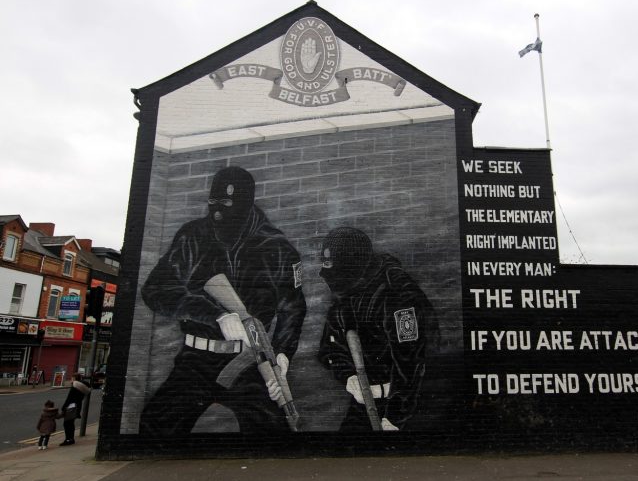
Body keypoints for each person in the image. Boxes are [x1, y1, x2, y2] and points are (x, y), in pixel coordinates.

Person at [140, 166, 306, 435]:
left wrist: (283, 355)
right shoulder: (193, 236)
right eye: (212, 203)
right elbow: (155, 289)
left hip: (251, 359)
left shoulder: (277, 248)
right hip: (195, 360)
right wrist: (215, 315)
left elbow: (293, 308)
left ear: (245, 201)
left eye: (226, 203)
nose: (217, 212)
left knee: (273, 431)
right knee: (154, 427)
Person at [317, 227, 432, 431]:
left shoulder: (397, 294)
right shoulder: (345, 295)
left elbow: (410, 361)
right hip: (366, 402)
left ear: (349, 263)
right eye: (325, 262)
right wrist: (349, 376)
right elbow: (329, 349)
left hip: (405, 405)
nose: (324, 272)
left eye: (330, 263)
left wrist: (395, 417)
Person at [60, 375, 90, 446]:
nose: (71, 380)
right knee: (71, 423)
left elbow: (69, 398)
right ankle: (71, 439)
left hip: (71, 407)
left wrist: (63, 407)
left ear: (74, 379)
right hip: (77, 407)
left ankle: (68, 439)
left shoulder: (75, 387)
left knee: (67, 423)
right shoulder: (82, 388)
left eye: (71, 378)